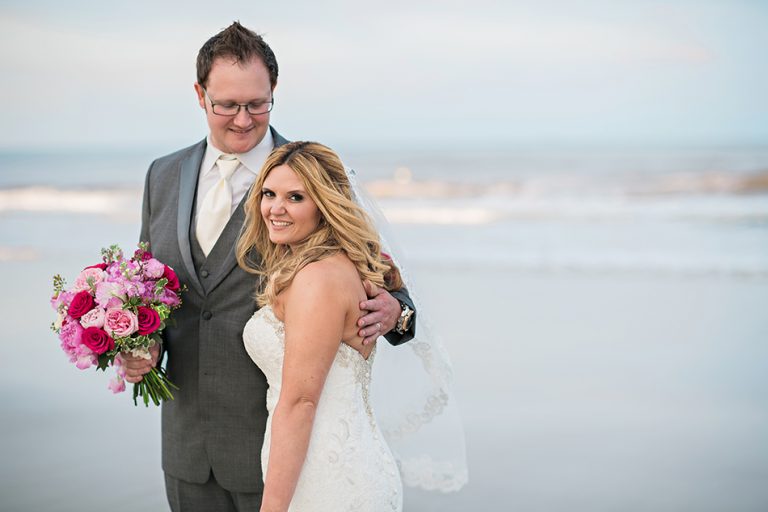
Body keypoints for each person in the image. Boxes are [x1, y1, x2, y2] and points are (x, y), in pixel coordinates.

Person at [122, 22, 416, 511]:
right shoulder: (163, 174)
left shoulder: (312, 175)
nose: (242, 119)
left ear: (273, 92)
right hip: (187, 447)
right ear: (200, 95)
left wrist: (394, 311)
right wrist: (140, 344)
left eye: (257, 104)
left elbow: (379, 274)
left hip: (284, 455)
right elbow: (145, 288)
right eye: (227, 105)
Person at [238, 141, 404, 511]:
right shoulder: (328, 265)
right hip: (317, 461)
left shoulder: (318, 280)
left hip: (328, 478)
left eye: (295, 197)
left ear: (324, 205)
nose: (275, 209)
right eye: (269, 194)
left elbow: (300, 401)